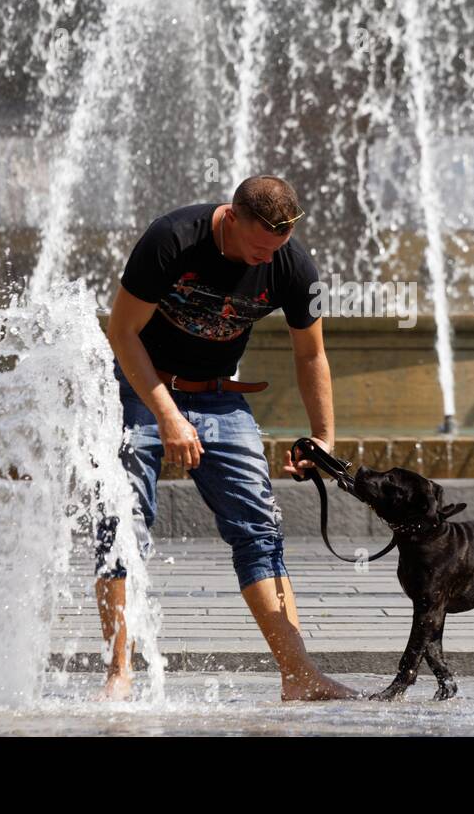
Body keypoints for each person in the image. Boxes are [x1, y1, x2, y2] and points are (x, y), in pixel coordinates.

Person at [95, 175, 356, 701]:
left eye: (276, 248)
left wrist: (323, 437)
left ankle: (298, 676)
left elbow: (311, 355)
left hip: (218, 396)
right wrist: (167, 416)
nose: (265, 259)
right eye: (258, 246)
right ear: (230, 218)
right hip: (138, 387)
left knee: (260, 528)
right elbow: (121, 333)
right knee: (123, 522)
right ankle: (119, 675)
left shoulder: (291, 263)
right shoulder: (171, 239)